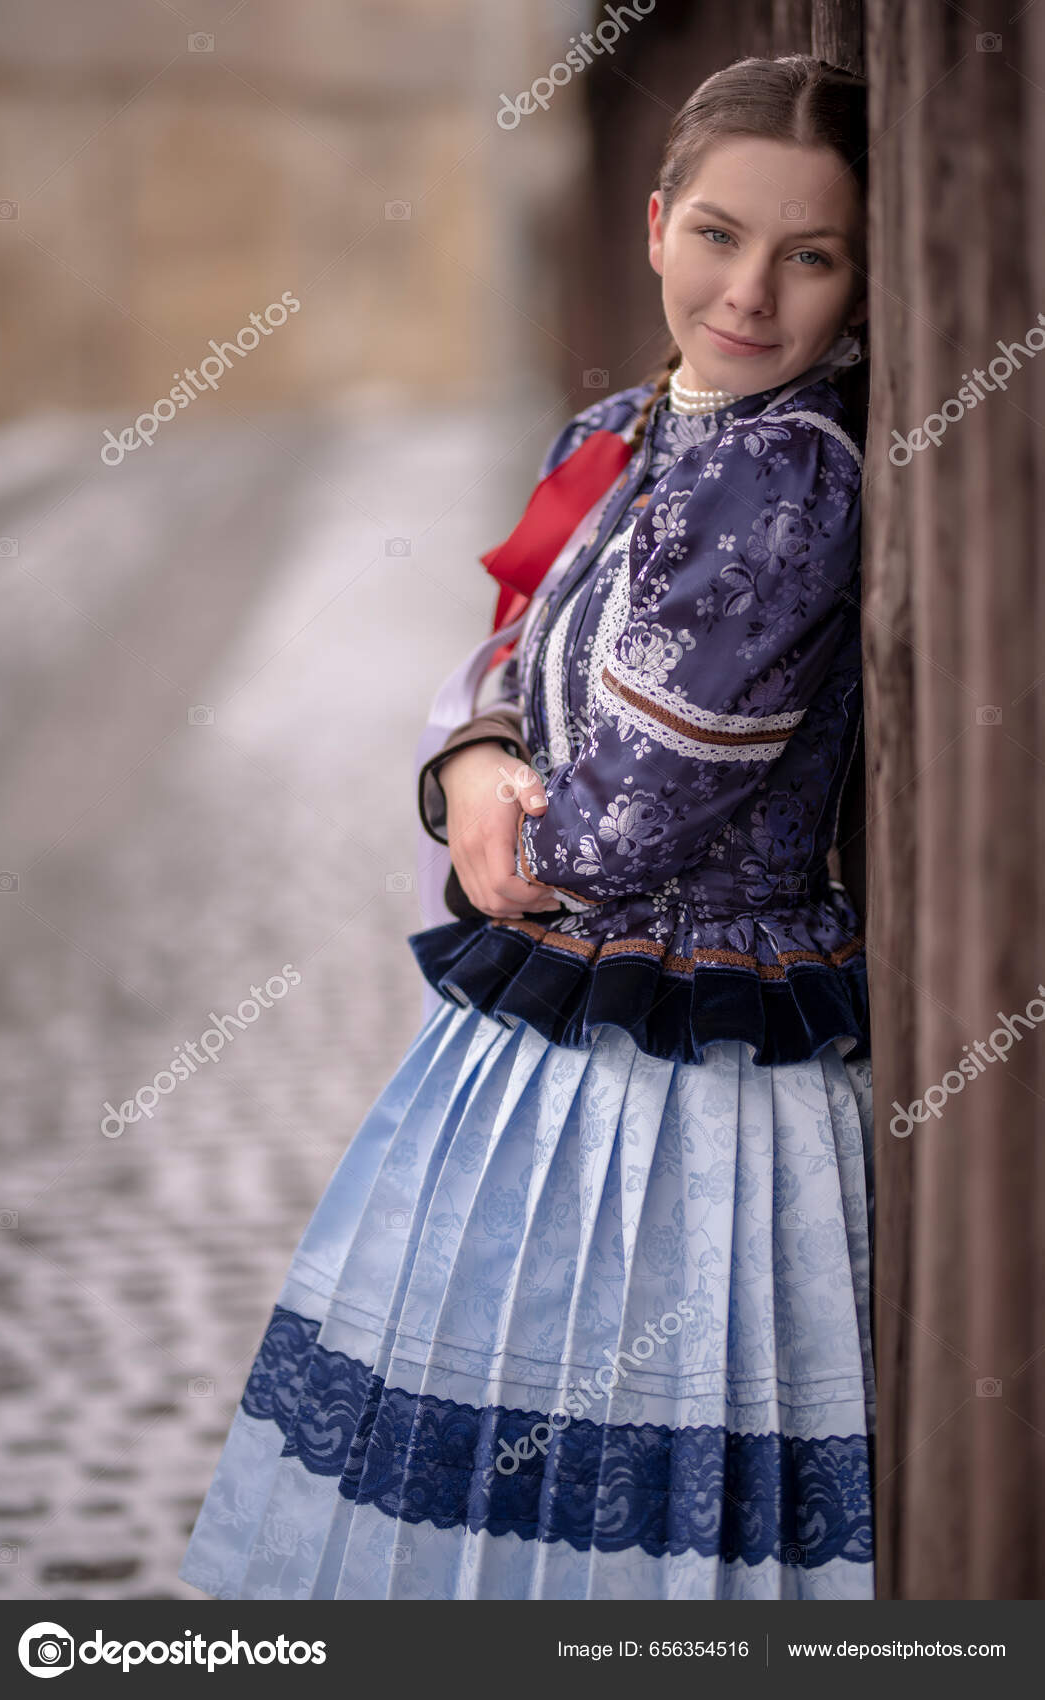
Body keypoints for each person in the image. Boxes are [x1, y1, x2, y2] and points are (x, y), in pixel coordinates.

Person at [179, 52, 875, 1602]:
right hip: (559, 1017)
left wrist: (514, 830)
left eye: (810, 255)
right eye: (718, 233)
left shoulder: (783, 479)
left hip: (701, 1044)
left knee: (634, 1495)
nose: (750, 292)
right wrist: (476, 761)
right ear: (651, 224)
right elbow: (505, 645)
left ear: (860, 277)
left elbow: (630, 813)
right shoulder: (624, 430)